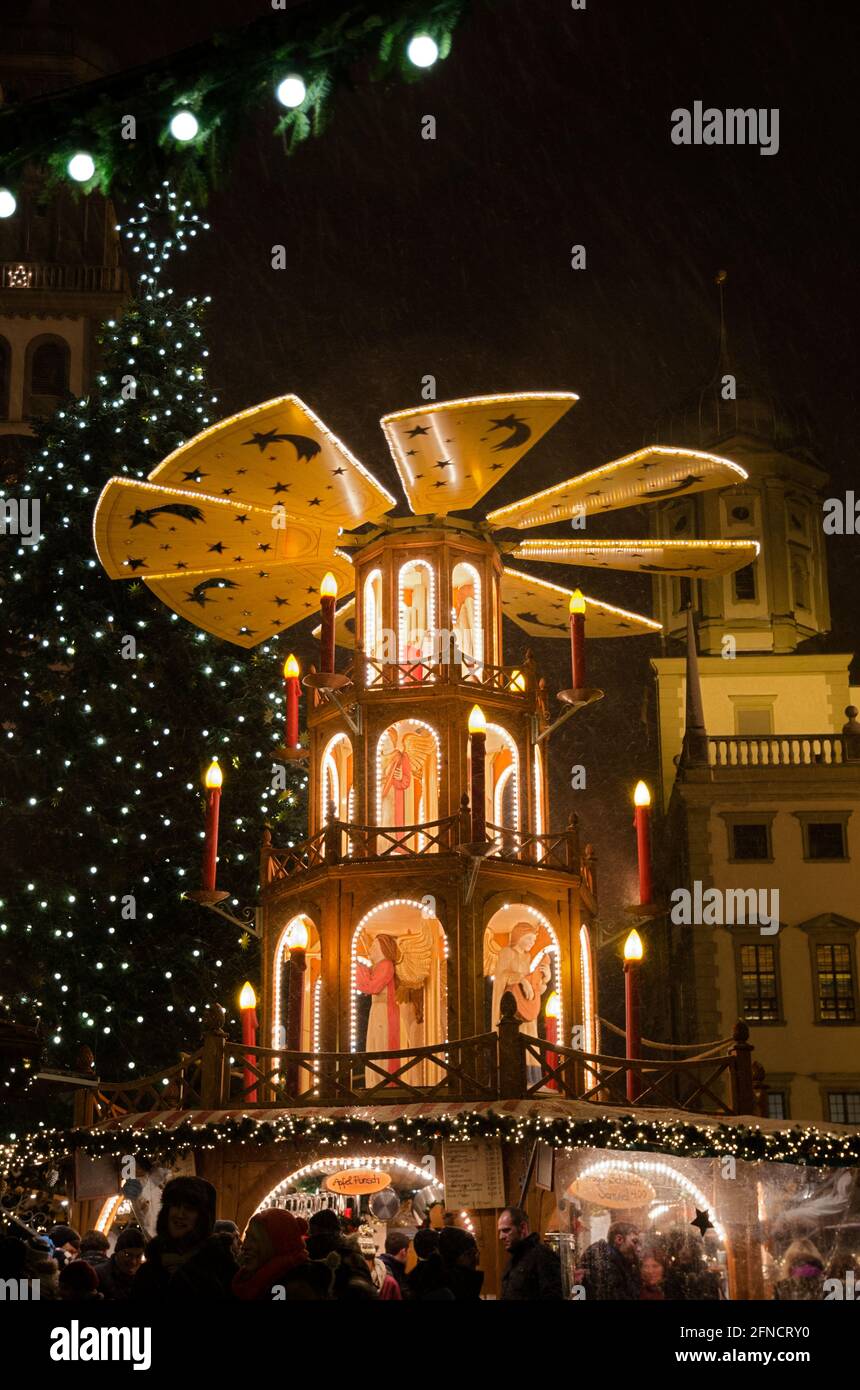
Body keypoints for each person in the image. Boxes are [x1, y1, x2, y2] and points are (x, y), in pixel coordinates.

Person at [131, 1176, 237, 1300]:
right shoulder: (149, 1270)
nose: (180, 1214)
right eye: (175, 1205)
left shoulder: (222, 1268)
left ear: (203, 1218)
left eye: (189, 1208)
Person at [232, 1210, 329, 1301]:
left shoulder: (294, 1290)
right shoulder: (254, 1279)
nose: (244, 1246)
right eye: (247, 1237)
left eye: (254, 1239)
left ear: (279, 1245)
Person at [305, 1208, 377, 1301]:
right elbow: (365, 1290)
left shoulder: (304, 1254)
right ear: (339, 1231)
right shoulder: (352, 1255)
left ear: (312, 1231)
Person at [498, 1207, 563, 1300]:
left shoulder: (543, 1256)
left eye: (506, 1230)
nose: (501, 1237)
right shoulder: (513, 1260)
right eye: (500, 1231)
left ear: (523, 1228)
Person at [579, 1223, 642, 1301]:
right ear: (619, 1239)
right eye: (634, 1242)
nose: (639, 1249)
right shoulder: (604, 1262)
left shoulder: (618, 1262)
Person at [663, 1230, 722, 1300]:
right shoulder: (672, 1272)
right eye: (679, 1247)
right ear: (676, 1250)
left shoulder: (703, 1269)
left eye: (688, 1247)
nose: (683, 1251)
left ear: (694, 1249)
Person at [93, 1227, 145, 1300]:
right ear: (117, 1252)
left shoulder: (145, 1277)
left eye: (138, 1256)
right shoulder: (98, 1275)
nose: (133, 1261)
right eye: (127, 1255)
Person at [438, 1226, 484, 1300]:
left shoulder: (437, 1288)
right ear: (464, 1255)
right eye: (473, 1252)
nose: (477, 1259)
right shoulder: (464, 1290)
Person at [379, 1230, 411, 1296]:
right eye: (409, 1252)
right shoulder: (390, 1273)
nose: (409, 1255)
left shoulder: (381, 1267)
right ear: (403, 1251)